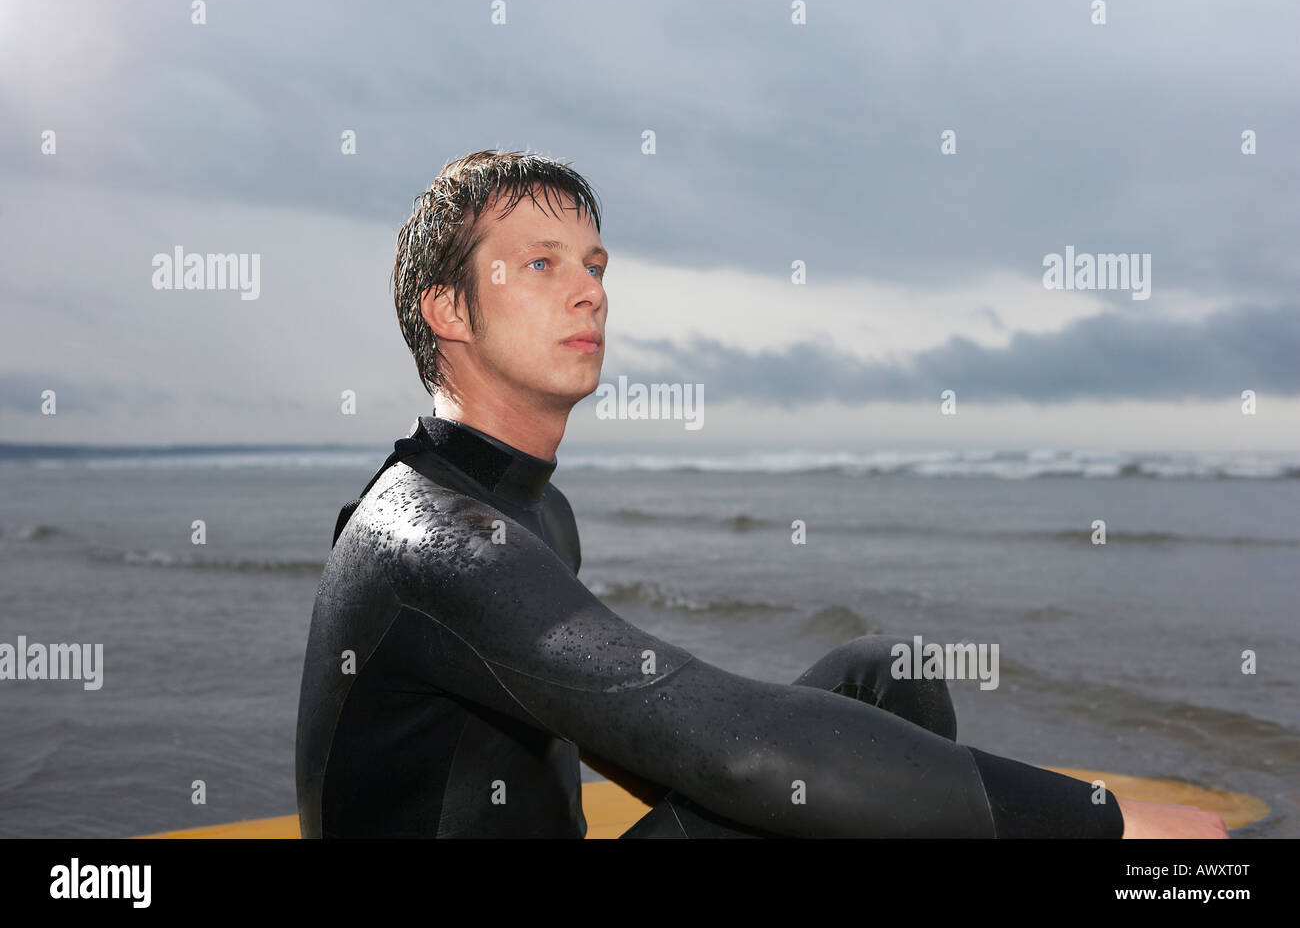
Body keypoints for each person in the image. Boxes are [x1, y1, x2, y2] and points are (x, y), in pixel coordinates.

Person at [294, 149, 1227, 839]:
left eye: (595, 265)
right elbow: (727, 741)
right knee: (775, 759)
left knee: (880, 676)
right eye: (541, 264)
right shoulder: (438, 539)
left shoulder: (529, 510)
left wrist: (731, 768)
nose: (589, 293)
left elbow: (617, 714)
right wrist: (1107, 825)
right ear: (449, 311)